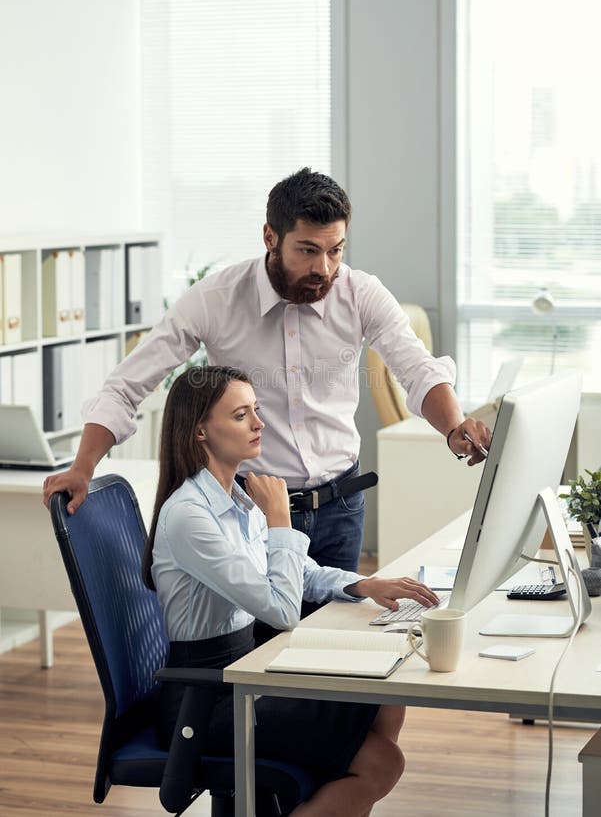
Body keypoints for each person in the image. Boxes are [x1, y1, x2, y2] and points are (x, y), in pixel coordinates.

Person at [43, 167, 490, 574]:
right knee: (263, 636)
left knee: (331, 632)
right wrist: (83, 467)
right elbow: (126, 385)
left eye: (335, 250)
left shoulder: (360, 293)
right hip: (248, 510)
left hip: (341, 507)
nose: (323, 268)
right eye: (308, 250)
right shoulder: (215, 299)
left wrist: (454, 426)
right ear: (270, 237)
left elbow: (417, 368)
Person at [145, 365, 440, 817]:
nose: (259, 424)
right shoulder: (190, 516)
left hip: (248, 674)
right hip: (205, 702)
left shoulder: (238, 496)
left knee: (386, 697)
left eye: (255, 410)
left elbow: (296, 568)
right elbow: (282, 611)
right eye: (241, 415)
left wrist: (361, 583)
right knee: (383, 763)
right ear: (200, 430)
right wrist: (280, 518)